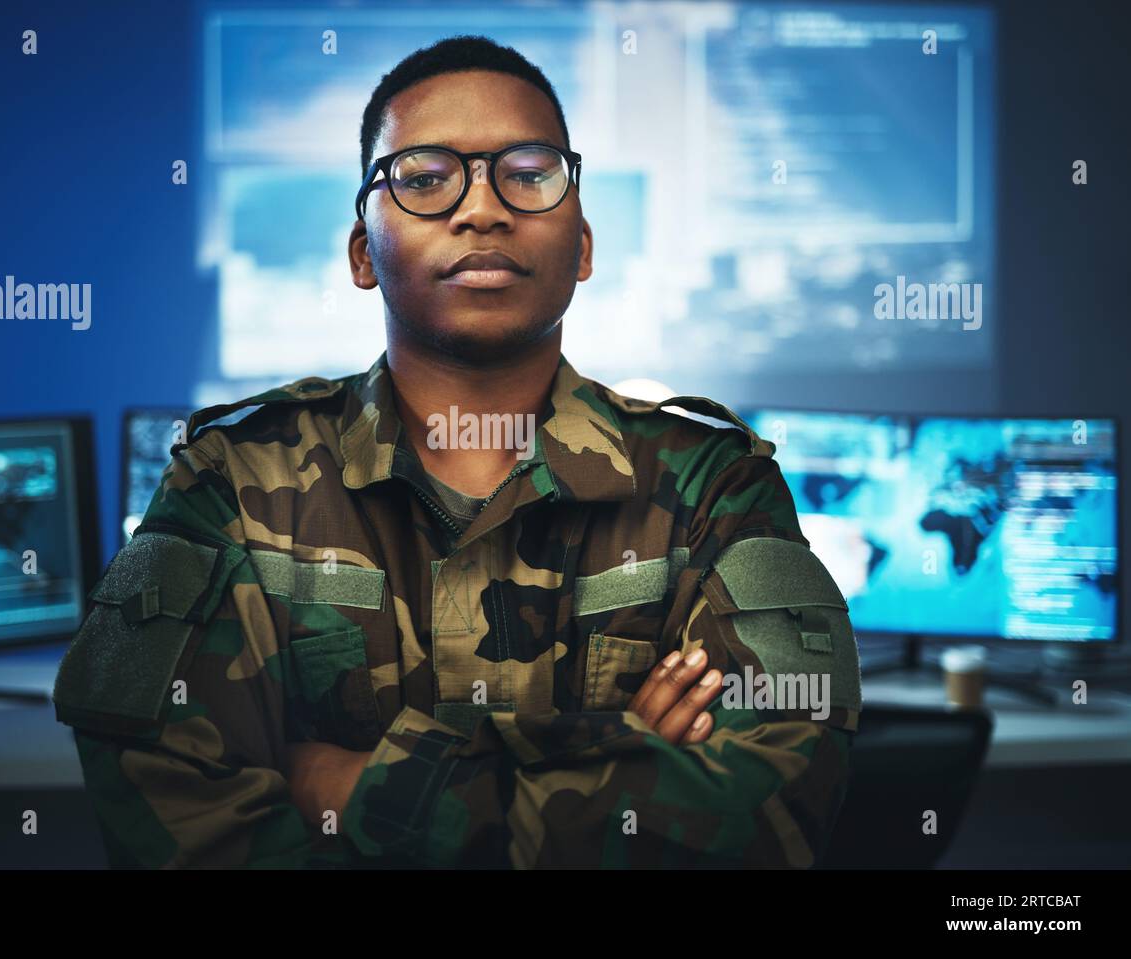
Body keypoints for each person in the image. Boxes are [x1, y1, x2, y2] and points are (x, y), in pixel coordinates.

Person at [53, 34, 862, 868]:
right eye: (426, 179)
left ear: (582, 246)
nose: (483, 209)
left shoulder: (713, 483)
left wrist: (344, 785)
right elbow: (174, 821)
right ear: (364, 252)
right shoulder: (231, 480)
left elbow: (772, 812)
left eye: (529, 173)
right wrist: (615, 752)